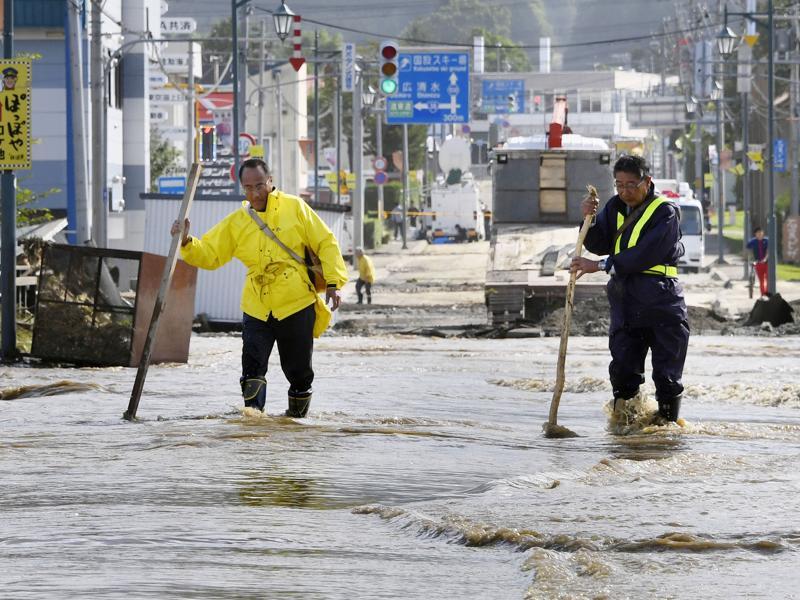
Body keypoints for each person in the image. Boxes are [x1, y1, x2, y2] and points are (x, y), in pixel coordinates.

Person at [170, 158, 348, 417]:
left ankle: (296, 425)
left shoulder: (295, 207)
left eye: (259, 186)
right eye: (248, 188)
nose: (254, 193)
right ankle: (253, 426)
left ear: (270, 182)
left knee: (299, 373)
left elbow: (326, 243)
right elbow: (210, 254)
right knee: (252, 370)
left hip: (296, 302)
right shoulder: (238, 221)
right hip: (257, 304)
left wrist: (333, 283)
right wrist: (186, 240)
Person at [570, 155, 688, 423]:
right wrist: (589, 219)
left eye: (631, 185)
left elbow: (644, 254)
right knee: (623, 370)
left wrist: (600, 266)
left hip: (662, 301)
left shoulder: (665, 212)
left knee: (667, 375)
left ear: (648, 181)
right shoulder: (615, 207)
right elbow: (599, 243)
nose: (625, 191)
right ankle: (625, 430)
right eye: (619, 185)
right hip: (625, 301)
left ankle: (666, 429)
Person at [746, 226, 769, 297]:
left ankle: (767, 293)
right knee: (761, 280)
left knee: (768, 279)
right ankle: (763, 294)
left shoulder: (767, 240)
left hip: (767, 263)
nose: (759, 234)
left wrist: (765, 259)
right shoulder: (753, 241)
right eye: (757, 233)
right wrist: (750, 259)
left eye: (760, 233)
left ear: (763, 233)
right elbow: (748, 249)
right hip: (758, 263)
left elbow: (769, 251)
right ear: (755, 234)